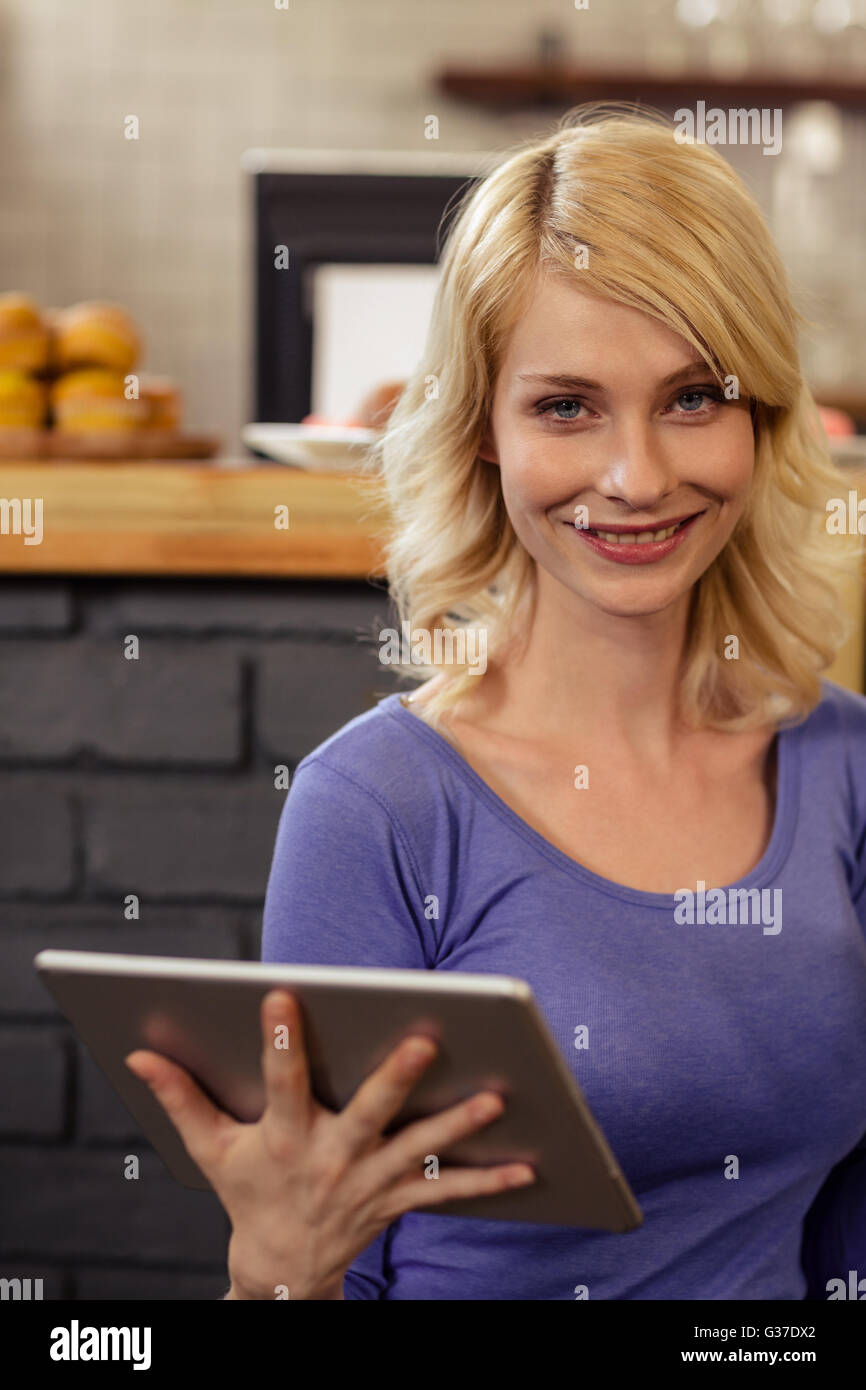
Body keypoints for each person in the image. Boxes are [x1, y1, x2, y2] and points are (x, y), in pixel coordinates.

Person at [126, 104, 866, 1301]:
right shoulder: (377, 806)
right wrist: (273, 1277)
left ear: (763, 414)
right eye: (564, 406)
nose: (635, 476)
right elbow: (328, 1275)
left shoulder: (842, 761)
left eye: (691, 398)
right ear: (480, 429)